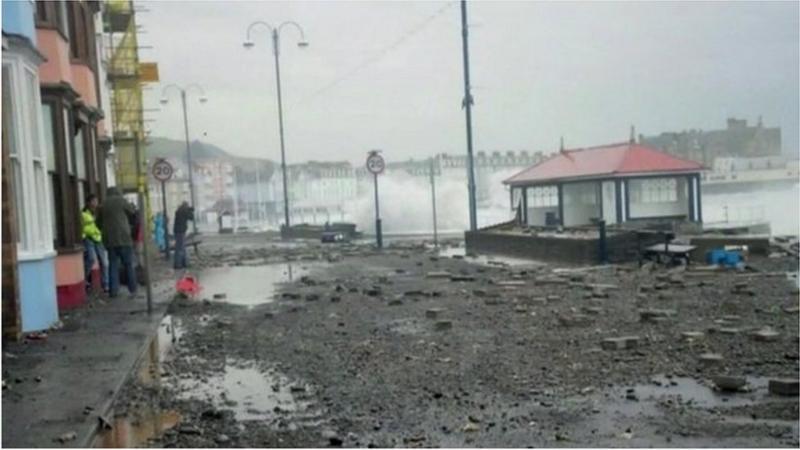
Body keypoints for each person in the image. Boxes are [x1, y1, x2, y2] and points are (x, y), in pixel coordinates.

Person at [97, 187, 137, 298]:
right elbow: (133, 213)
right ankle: (132, 289)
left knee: (113, 265)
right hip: (124, 238)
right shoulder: (122, 201)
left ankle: (113, 291)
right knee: (128, 264)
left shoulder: (102, 205)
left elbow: (98, 224)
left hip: (109, 240)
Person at [81, 194, 108, 293]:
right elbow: (82, 227)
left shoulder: (99, 212)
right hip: (88, 238)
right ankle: (84, 280)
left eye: (96, 201)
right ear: (88, 202)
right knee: (91, 259)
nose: (95, 203)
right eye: (93, 201)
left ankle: (105, 284)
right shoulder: (83, 213)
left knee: (104, 262)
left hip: (98, 238)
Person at [173, 201, 194, 270]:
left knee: (181, 247)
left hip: (178, 231)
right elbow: (191, 217)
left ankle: (183, 263)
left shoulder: (180, 210)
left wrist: (189, 210)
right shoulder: (183, 211)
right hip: (181, 231)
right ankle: (178, 264)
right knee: (180, 248)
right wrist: (191, 211)